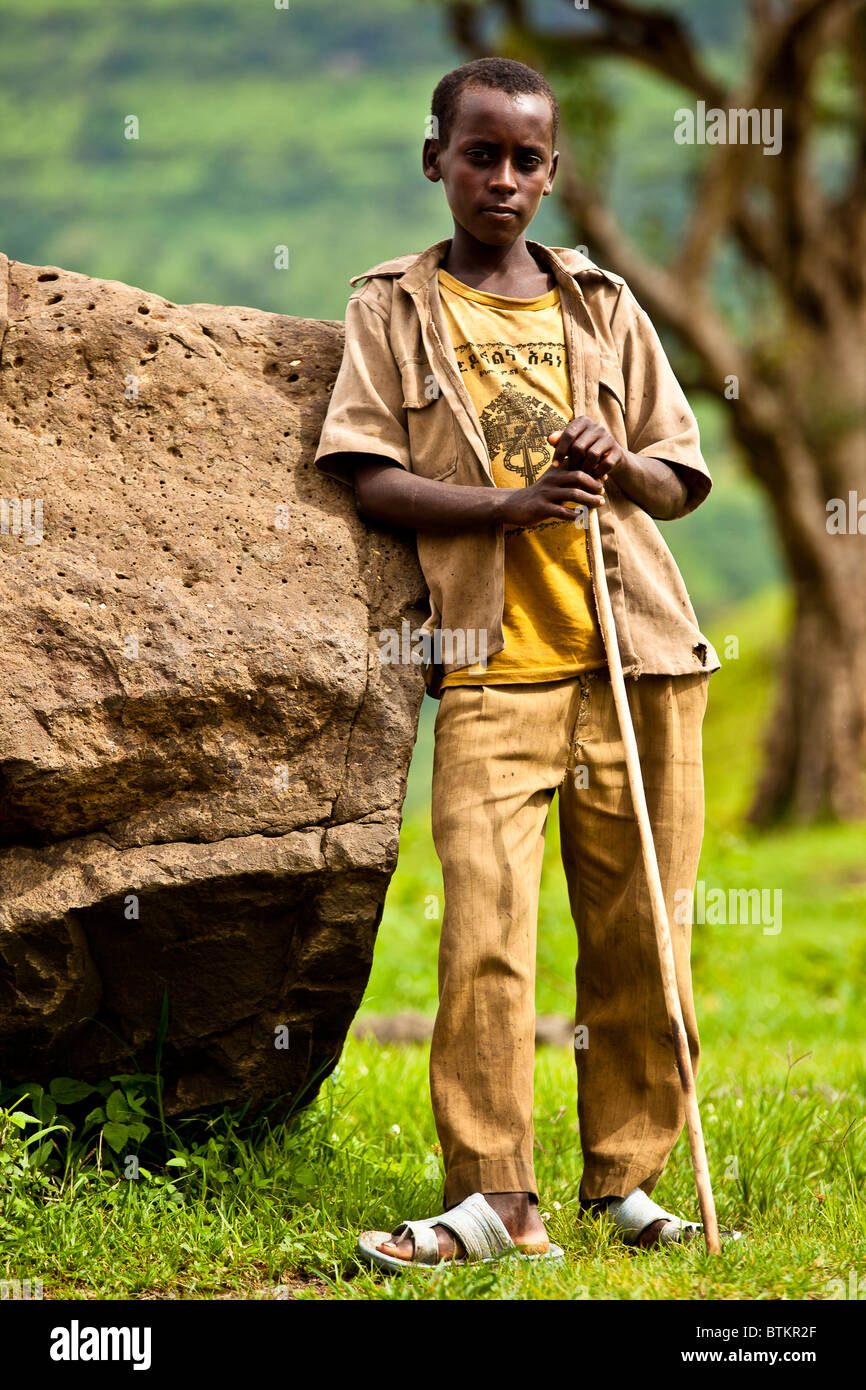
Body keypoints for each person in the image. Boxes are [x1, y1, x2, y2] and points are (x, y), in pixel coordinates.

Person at [314, 57, 735, 1269]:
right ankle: (496, 1199)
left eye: (526, 160)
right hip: (493, 665)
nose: (502, 179)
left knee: (639, 932)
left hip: (638, 661)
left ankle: (631, 1178)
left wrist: (613, 462)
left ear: (552, 173)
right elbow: (365, 475)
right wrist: (507, 507)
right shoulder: (388, 308)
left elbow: (679, 475)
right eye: (479, 152)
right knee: (484, 933)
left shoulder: (601, 305)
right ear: (433, 157)